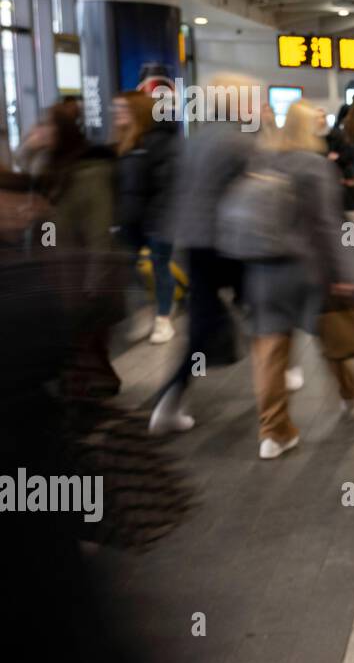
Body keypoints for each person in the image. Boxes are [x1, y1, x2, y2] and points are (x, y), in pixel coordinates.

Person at [244, 101, 354, 459]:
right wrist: (341, 275)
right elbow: (326, 226)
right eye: (317, 121)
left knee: (271, 352)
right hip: (306, 270)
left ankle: (273, 434)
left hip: (264, 269)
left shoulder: (263, 159)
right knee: (330, 334)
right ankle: (352, 393)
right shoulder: (314, 166)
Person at [149, 73, 261, 436]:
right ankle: (280, 376)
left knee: (203, 321)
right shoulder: (239, 142)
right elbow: (256, 197)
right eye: (251, 99)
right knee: (263, 308)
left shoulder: (195, 138)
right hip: (228, 244)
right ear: (237, 102)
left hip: (193, 242)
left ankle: (172, 397)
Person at [18, 101, 125, 399]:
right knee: (78, 350)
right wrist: (29, 145)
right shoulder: (50, 165)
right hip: (56, 270)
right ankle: (85, 393)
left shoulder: (91, 172)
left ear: (62, 131)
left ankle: (89, 399)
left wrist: (95, 284)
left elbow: (99, 233)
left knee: (84, 346)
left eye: (47, 126)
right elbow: (22, 168)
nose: (40, 131)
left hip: (81, 275)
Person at [113, 89, 180, 344]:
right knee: (127, 268)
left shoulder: (159, 141)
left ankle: (163, 318)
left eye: (123, 109)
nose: (117, 114)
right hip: (132, 219)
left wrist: (157, 221)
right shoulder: (125, 143)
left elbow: (167, 186)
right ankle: (145, 310)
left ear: (138, 111)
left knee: (159, 265)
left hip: (158, 219)